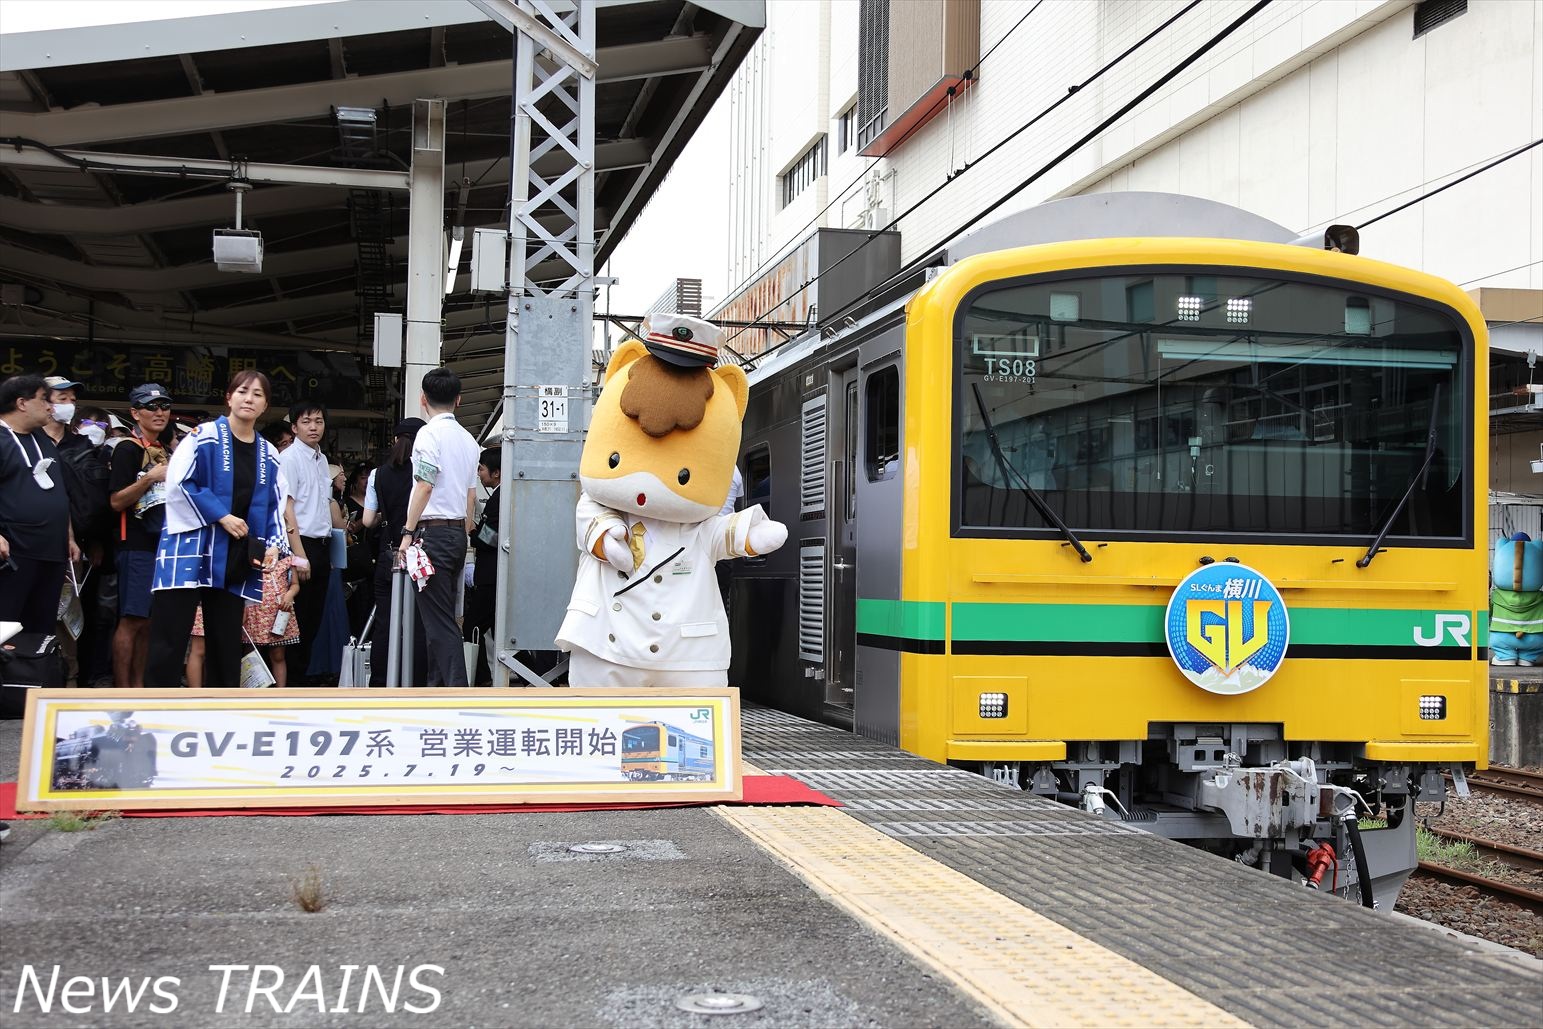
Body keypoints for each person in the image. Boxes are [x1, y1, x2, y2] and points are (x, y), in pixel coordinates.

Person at [146, 371, 286, 688]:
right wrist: (222, 515)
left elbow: (276, 503)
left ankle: (223, 705)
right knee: (170, 632)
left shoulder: (269, 453)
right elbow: (180, 481)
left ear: (265, 405)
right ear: (229, 397)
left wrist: (274, 544)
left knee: (226, 638)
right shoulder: (203, 436)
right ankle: (157, 704)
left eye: (258, 394)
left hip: (235, 551)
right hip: (190, 545)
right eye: (243, 391)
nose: (249, 399)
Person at [397, 368, 480, 686]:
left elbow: (425, 484)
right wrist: (464, 533)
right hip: (457, 533)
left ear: (422, 399)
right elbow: (471, 496)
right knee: (441, 616)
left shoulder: (428, 434)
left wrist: (408, 532)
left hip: (431, 535)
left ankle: (458, 692)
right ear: (458, 400)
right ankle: (436, 690)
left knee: (439, 621)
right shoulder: (468, 440)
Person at [0, 374, 81, 633]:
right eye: (44, 399)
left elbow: (58, 492)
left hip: (52, 551)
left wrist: (69, 536)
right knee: (7, 627)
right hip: (14, 552)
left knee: (42, 630)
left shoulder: (43, 439)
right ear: (22, 403)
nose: (50, 406)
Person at [108, 383, 174, 689]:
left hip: (162, 545)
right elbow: (116, 501)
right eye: (151, 407)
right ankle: (122, 691)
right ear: (135, 413)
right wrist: (149, 478)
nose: (159, 412)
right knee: (132, 619)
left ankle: (139, 690)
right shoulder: (127, 448)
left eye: (164, 406)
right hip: (135, 545)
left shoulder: (165, 450)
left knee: (149, 622)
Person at [363, 418, 428, 685]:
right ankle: (417, 683)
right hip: (420, 556)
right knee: (418, 623)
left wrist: (386, 516)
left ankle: (380, 682)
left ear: (394, 441)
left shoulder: (377, 474)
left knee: (385, 622)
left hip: (388, 556)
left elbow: (367, 520)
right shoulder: (424, 472)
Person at [279, 399, 333, 681]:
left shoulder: (322, 459)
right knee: (295, 623)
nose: (313, 427)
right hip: (300, 546)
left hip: (322, 546)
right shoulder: (289, 458)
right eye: (306, 422)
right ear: (294, 427)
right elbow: (287, 510)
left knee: (312, 622)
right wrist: (299, 555)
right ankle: (289, 686)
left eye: (319, 421)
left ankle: (298, 682)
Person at [188, 554, 300, 686]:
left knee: (275, 655)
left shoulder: (285, 556)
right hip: (208, 600)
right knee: (201, 650)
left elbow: (296, 581)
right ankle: (197, 692)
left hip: (257, 610)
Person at [464, 447, 501, 684]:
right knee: (498, 629)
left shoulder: (498, 498)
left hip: (490, 575)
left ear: (496, 473)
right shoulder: (500, 495)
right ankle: (532, 672)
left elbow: (492, 538)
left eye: (482, 469)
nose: (479, 473)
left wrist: (472, 532)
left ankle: (480, 678)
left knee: (472, 626)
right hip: (493, 574)